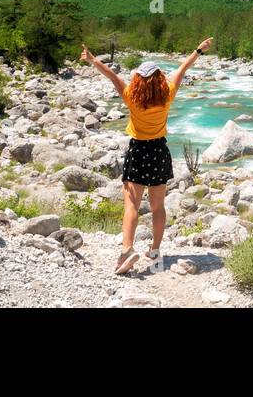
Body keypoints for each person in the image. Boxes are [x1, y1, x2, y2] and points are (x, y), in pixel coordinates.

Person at [81, 37, 214, 275]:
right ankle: (154, 250)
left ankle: (127, 249)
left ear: (138, 80)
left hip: (139, 151)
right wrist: (198, 50)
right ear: (159, 79)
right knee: (158, 206)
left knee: (131, 204)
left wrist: (91, 59)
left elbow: (112, 75)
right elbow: (182, 69)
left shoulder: (131, 96)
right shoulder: (167, 95)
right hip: (159, 152)